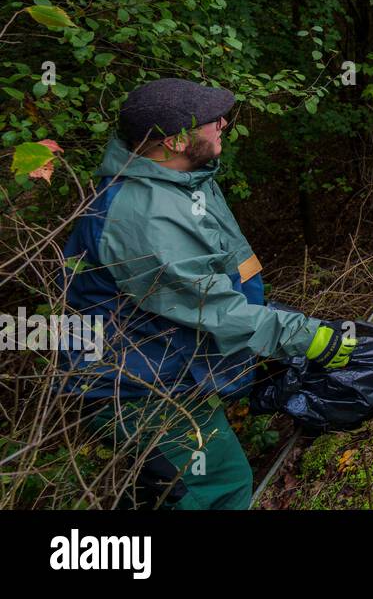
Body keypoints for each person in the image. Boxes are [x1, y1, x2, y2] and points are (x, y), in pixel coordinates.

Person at [59, 78, 355, 509]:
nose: (223, 123)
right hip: (138, 390)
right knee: (220, 487)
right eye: (210, 120)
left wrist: (269, 327)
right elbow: (213, 307)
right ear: (175, 140)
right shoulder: (145, 218)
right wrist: (305, 336)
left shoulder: (180, 179)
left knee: (172, 490)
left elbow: (220, 278)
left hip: (166, 368)